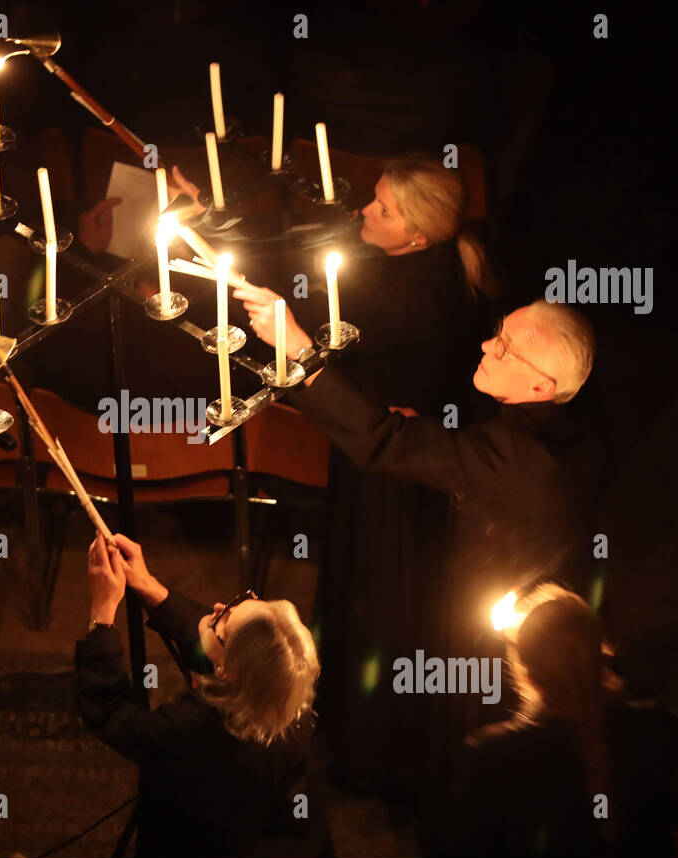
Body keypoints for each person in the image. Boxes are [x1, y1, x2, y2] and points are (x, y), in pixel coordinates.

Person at [247, 296, 605, 819]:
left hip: (497, 637)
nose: (487, 345)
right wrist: (439, 438)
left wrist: (301, 350)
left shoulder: (512, 458)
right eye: (498, 333)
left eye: (504, 347)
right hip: (546, 607)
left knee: (488, 755)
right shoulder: (573, 425)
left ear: (539, 387)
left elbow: (382, 442)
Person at [225, 156, 494, 798]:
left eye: (383, 209)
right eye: (374, 197)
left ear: (418, 237)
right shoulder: (428, 265)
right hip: (397, 459)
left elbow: (309, 295)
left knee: (379, 601)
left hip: (391, 479)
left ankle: (372, 751)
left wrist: (218, 237)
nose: (363, 212)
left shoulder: (401, 295)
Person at [76, 533, 333, 858]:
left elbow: (109, 712)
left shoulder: (192, 726)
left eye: (223, 622)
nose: (217, 607)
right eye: (236, 605)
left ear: (227, 674)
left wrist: (102, 613)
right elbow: (224, 646)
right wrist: (148, 585)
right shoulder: (290, 693)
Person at [436, 585, 678, 858]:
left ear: (528, 675)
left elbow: (461, 851)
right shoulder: (657, 729)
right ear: (600, 656)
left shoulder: (491, 755)